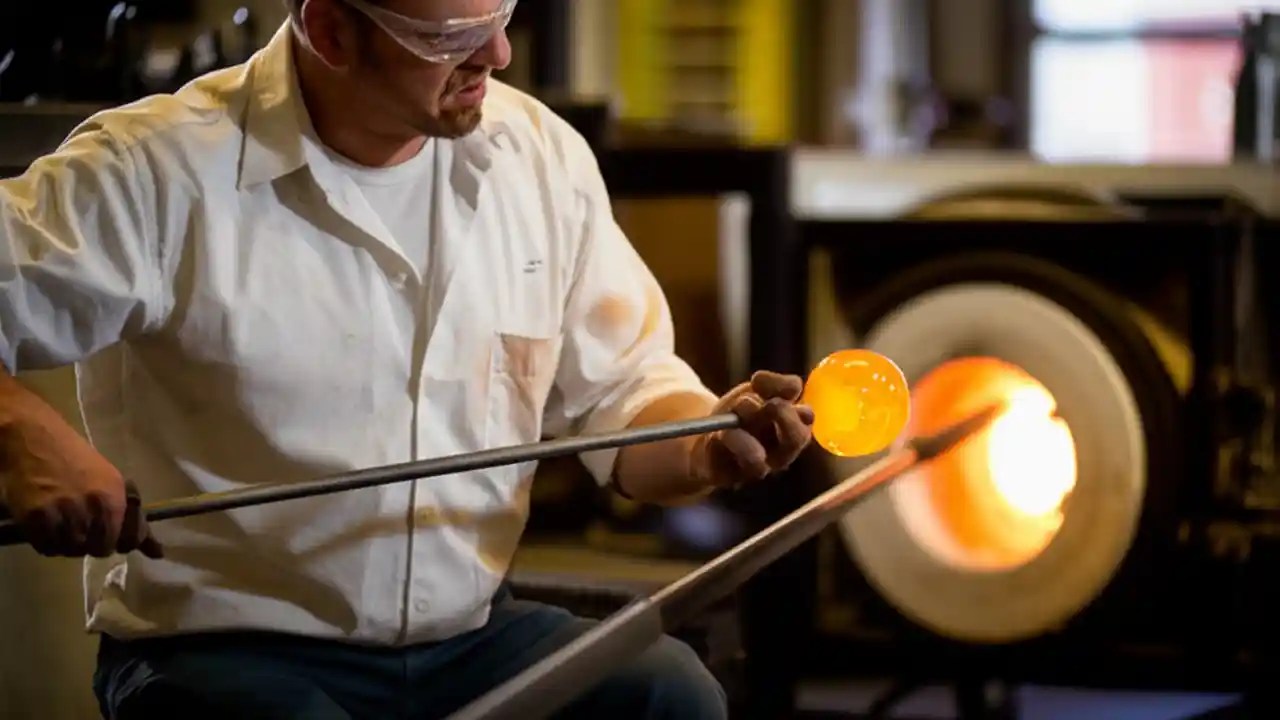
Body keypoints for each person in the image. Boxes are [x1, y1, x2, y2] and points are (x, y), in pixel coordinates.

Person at [0, 0, 814, 717]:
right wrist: (23, 433)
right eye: (452, 34)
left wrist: (705, 442)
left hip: (466, 642)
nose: (495, 56)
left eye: (501, 17)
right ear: (331, 30)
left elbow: (626, 402)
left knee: (666, 695)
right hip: (224, 649)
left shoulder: (538, 159)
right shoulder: (159, 169)